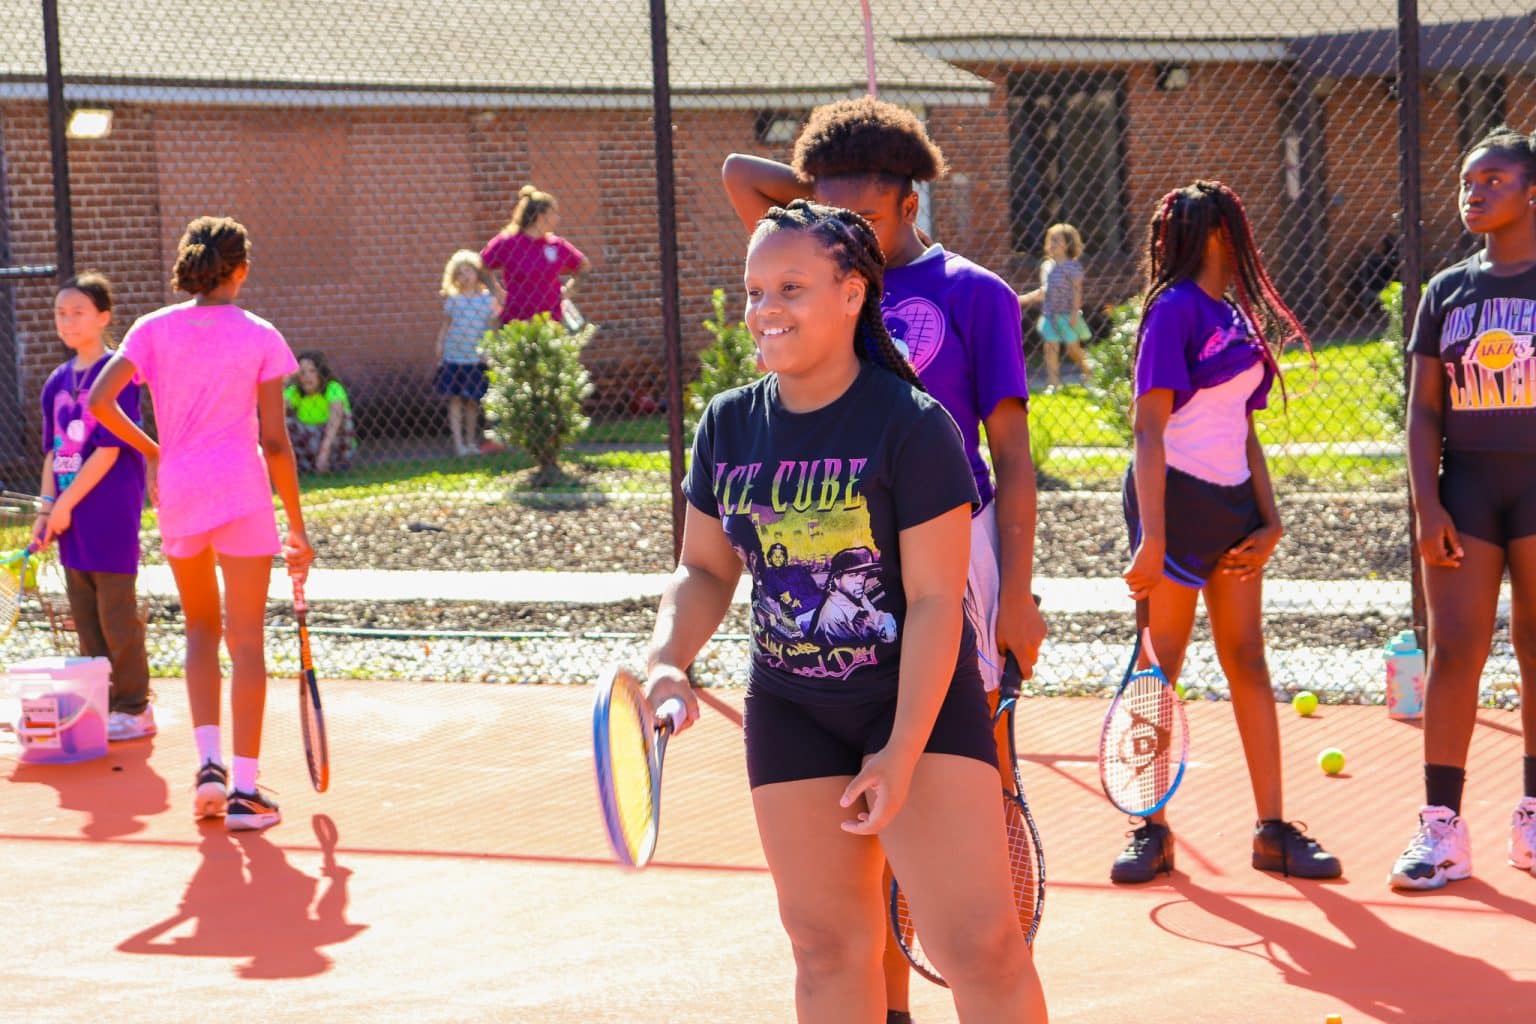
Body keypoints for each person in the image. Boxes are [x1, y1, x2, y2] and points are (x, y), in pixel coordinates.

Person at [646, 198, 1046, 1023]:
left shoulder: (913, 425)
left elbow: (939, 600)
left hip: (917, 708)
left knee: (979, 946)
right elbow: (704, 570)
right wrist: (665, 660)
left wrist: (899, 753)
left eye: (791, 287)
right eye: (755, 290)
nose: (765, 310)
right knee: (826, 951)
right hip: (792, 711)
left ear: (854, 293)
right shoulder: (728, 426)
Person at [1116, 180, 1340, 885]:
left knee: (1247, 659)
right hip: (1174, 510)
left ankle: (1273, 830)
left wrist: (1269, 518)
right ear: (1220, 234)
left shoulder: (1232, 312)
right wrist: (1151, 539)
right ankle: (1149, 828)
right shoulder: (1173, 310)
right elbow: (1148, 430)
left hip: (1235, 512)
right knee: (1161, 669)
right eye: (1231, 227)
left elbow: (1241, 423)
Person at [88, 216, 312, 832]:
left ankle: (208, 767)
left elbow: (98, 401)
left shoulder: (151, 329)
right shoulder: (261, 335)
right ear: (241, 269)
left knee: (198, 632)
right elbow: (274, 439)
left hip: (182, 492)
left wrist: (155, 451)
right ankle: (244, 789)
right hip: (240, 493)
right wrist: (296, 526)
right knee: (245, 643)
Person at [1392, 127, 1536, 891]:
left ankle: (1534, 817)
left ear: (1532, 190)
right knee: (1455, 650)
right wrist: (1426, 507)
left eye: (1494, 180)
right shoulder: (1448, 290)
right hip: (1468, 489)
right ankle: (1442, 831)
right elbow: (1422, 412)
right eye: (1467, 181)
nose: (1474, 192)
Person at [33, 271, 153, 741]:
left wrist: (66, 504)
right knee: (84, 612)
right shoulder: (56, 382)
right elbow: (52, 450)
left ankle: (135, 705)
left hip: (108, 511)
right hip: (69, 514)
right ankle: (100, 701)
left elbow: (108, 450)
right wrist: (48, 508)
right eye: (61, 313)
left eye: (79, 311)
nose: (68, 320)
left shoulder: (118, 375)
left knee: (115, 612)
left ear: (104, 317)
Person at [480, 185, 591, 327]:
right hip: (516, 321)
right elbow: (481, 264)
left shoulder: (557, 245)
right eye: (554, 213)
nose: (558, 218)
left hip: (551, 321)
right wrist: (496, 290)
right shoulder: (507, 242)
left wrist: (568, 291)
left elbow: (584, 265)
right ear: (541, 216)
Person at [434, 250, 500, 456]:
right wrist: (440, 344)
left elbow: (492, 328)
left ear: (477, 273)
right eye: (460, 273)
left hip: (476, 357)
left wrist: (491, 351)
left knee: (472, 400)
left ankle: (471, 441)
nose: (465, 276)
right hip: (454, 356)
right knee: (455, 399)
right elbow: (446, 326)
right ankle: (458, 443)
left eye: (468, 271)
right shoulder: (454, 300)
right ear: (454, 278)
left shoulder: (487, 300)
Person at [1018, 223, 1092, 391]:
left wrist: (1074, 314)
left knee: (1072, 348)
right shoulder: (1047, 266)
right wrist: (1021, 299)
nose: (1051, 244)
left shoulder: (1073, 266)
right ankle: (1054, 383)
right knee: (1050, 347)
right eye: (1050, 240)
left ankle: (1088, 371)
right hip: (1050, 314)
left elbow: (1076, 291)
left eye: (1056, 240)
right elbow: (1044, 290)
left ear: (1067, 244)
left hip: (1067, 314)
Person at [284, 351, 356, 474]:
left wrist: (324, 452)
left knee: (344, 419)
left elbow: (335, 421)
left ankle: (332, 463)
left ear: (321, 372)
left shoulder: (333, 388)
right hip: (307, 441)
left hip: (332, 442)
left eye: (312, 371)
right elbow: (273, 407)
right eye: (302, 372)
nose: (307, 377)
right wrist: (287, 378)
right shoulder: (296, 391)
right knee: (285, 421)